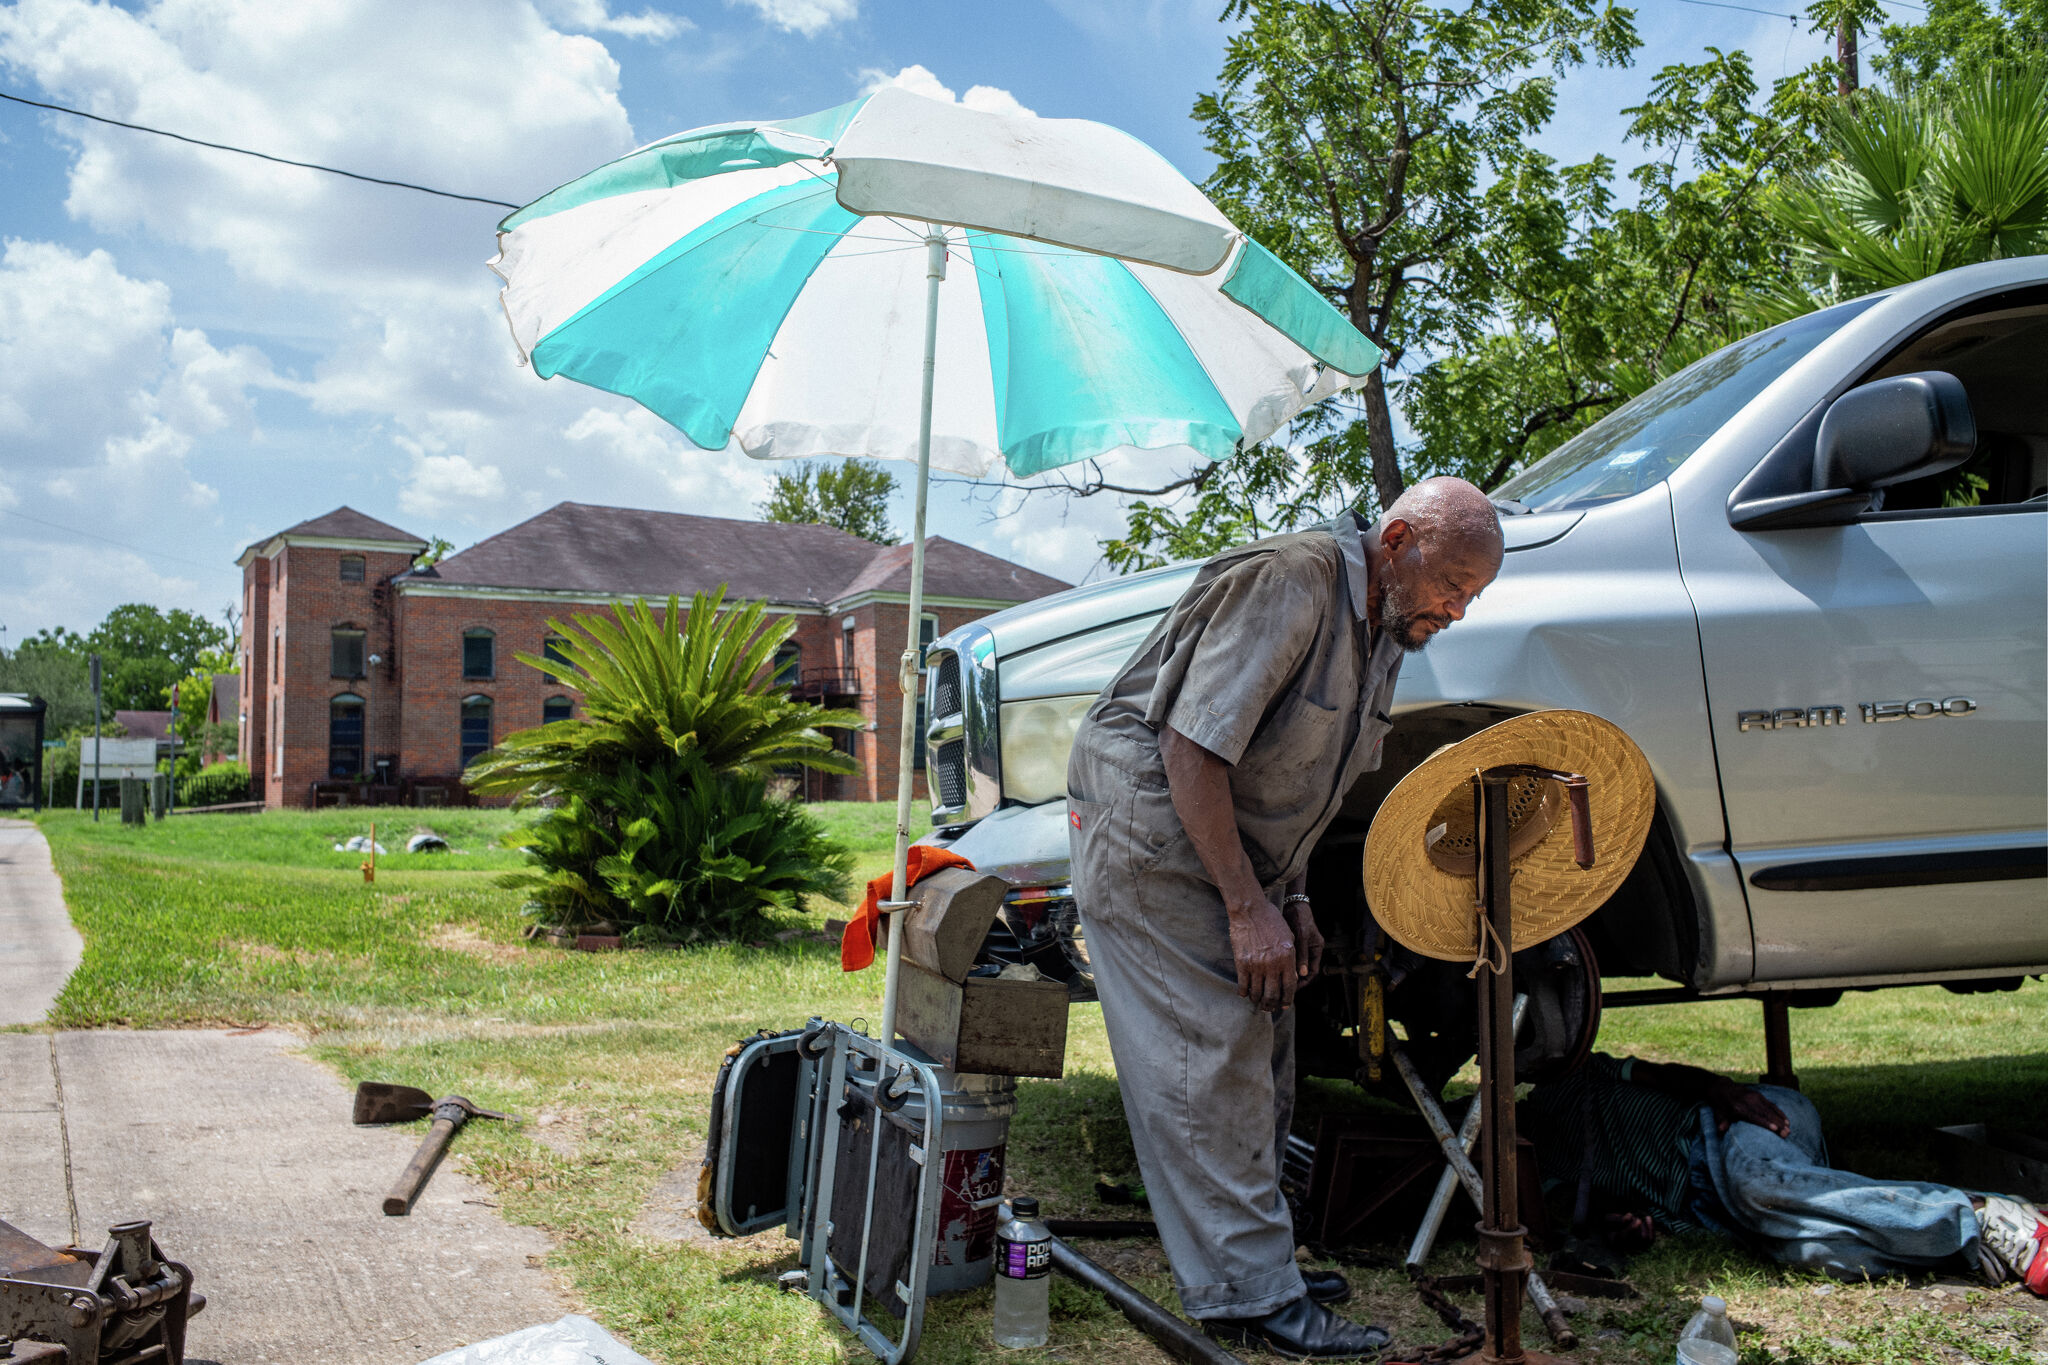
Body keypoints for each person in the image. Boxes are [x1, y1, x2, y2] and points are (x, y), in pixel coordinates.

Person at [1065, 477, 1506, 1358]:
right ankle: (1247, 1297)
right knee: (1213, 1050)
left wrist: (1292, 896)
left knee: (1269, 1042)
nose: (1458, 610)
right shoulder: (1291, 579)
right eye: (1453, 585)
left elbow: (1304, 784)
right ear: (1398, 539)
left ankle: (1262, 1261)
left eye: (1473, 596)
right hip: (1154, 826)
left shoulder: (1386, 626)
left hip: (1234, 843)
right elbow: (1190, 745)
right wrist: (1243, 904)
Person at [1526, 1051, 2048, 1294]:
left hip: (1738, 1126)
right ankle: (1975, 1250)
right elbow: (1596, 1212)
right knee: (1810, 1252)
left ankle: (1983, 1216)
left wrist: (1720, 1090)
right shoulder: (1542, 1177)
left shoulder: (1574, 1081)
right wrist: (1625, 1226)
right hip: (1729, 1208)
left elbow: (1661, 1074)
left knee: (1760, 1184)